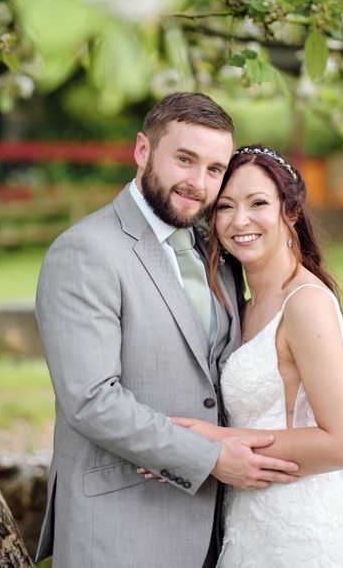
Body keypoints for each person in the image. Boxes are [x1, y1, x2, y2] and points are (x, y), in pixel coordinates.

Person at [34, 95, 300, 568]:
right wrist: (208, 457)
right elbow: (90, 399)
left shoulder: (214, 252)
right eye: (184, 159)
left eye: (215, 169)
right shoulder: (85, 252)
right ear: (142, 150)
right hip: (120, 526)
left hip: (218, 529)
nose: (199, 184)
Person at [169, 144, 343, 567]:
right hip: (249, 525)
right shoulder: (242, 306)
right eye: (225, 206)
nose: (240, 221)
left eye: (258, 203)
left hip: (300, 532)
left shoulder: (305, 304)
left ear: (291, 210)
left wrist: (215, 442)